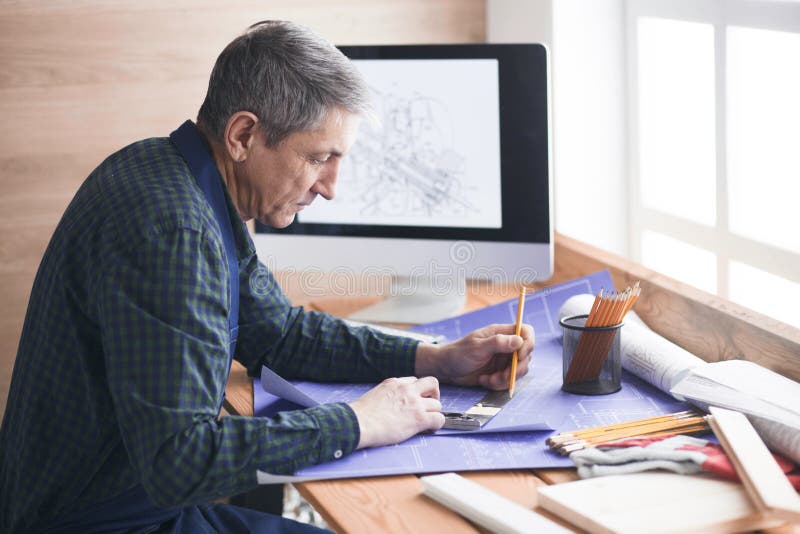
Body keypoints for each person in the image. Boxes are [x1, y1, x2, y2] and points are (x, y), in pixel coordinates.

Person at [0, 20, 534, 533]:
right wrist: (357, 423)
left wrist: (434, 358)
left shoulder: (177, 177)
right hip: (104, 522)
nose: (330, 188)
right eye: (319, 158)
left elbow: (279, 333)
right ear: (243, 135)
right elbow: (179, 461)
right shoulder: (175, 232)